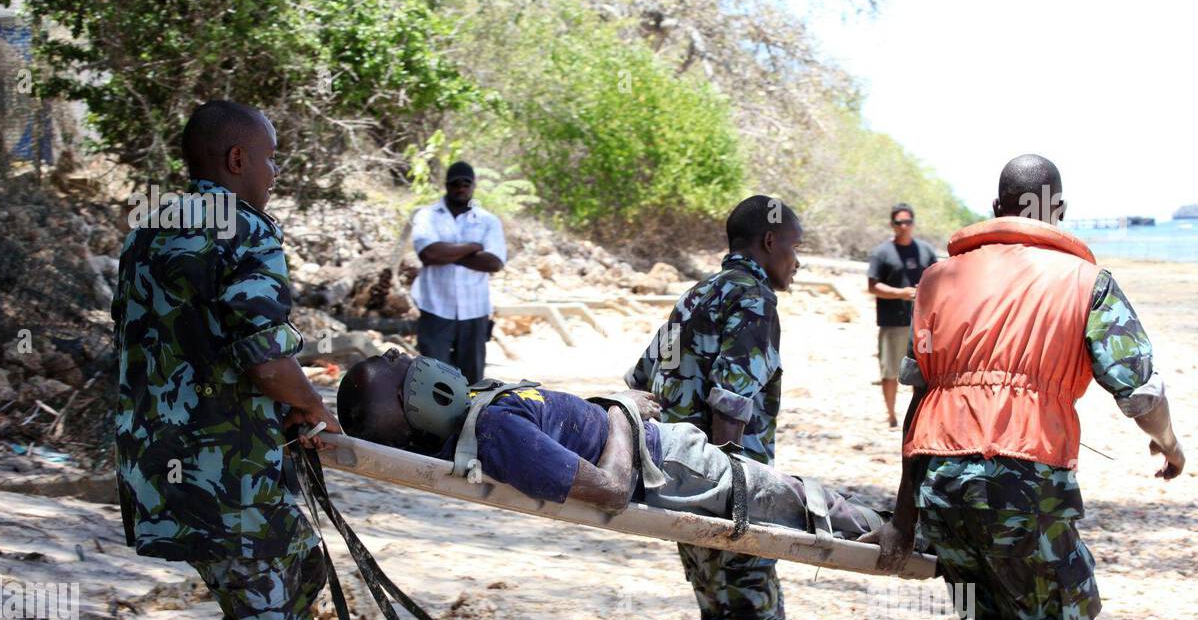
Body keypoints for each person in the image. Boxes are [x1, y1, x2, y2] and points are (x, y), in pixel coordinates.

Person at [862, 154, 1187, 620]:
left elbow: (918, 398)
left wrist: (904, 519)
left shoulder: (938, 280)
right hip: (1022, 480)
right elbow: (1141, 393)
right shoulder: (1084, 282)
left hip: (939, 483)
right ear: (1055, 212)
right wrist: (1169, 444)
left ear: (995, 207)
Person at [112, 99, 342, 620]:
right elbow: (268, 360)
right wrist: (313, 408)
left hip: (156, 467)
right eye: (269, 159)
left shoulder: (152, 225)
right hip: (225, 475)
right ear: (236, 159)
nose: (274, 174)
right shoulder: (244, 230)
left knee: (299, 574)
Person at [564, 195, 799, 620]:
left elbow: (639, 385)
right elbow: (731, 404)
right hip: (726, 488)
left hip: (676, 479)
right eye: (795, 246)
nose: (799, 261)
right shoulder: (752, 297)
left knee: (741, 618)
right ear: (768, 242)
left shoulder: (693, 296)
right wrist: (731, 495)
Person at [335, 350, 881, 538]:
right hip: (669, 465)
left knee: (802, 503)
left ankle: (889, 520)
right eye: (402, 365)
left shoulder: (476, 422)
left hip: (665, 454)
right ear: (425, 398)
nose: (409, 357)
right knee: (810, 505)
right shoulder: (495, 432)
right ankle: (912, 534)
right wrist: (619, 411)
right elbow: (613, 491)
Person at [409, 161, 505, 384]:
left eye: (466, 183)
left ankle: (470, 420)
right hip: (435, 309)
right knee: (432, 380)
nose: (460, 188)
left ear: (473, 185)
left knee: (473, 382)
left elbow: (494, 263)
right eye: (455, 183)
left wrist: (447, 252)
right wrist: (473, 247)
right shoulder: (427, 215)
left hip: (475, 311)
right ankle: (433, 420)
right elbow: (429, 255)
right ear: (446, 185)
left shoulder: (488, 220)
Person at [867, 204, 939, 427]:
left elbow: (939, 280)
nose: (904, 226)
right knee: (890, 370)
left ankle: (919, 415)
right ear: (892, 225)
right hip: (892, 322)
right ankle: (891, 416)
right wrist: (901, 293)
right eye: (899, 222)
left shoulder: (925, 251)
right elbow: (873, 286)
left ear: (913, 223)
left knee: (923, 371)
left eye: (908, 222)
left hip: (922, 323)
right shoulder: (881, 253)